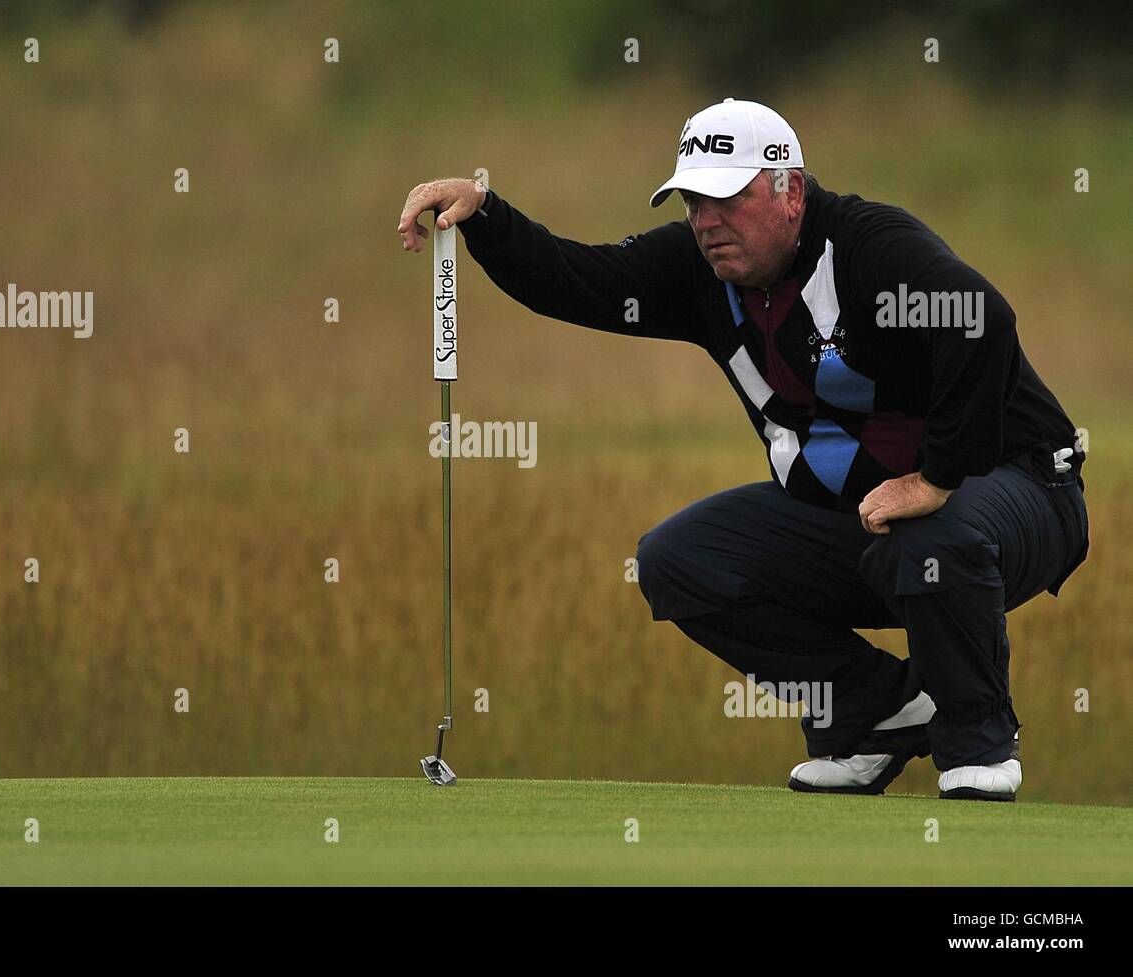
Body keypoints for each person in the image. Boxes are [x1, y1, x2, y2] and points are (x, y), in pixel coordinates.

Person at [396, 98, 1089, 801]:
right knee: (679, 559)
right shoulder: (703, 272)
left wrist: (938, 476)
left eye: (727, 197)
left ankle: (978, 737)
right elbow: (578, 280)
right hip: (875, 522)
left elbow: (982, 321)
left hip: (1027, 490)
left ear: (789, 190)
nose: (706, 222)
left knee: (927, 531)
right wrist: (482, 213)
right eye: (694, 201)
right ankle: (876, 710)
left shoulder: (868, 248)